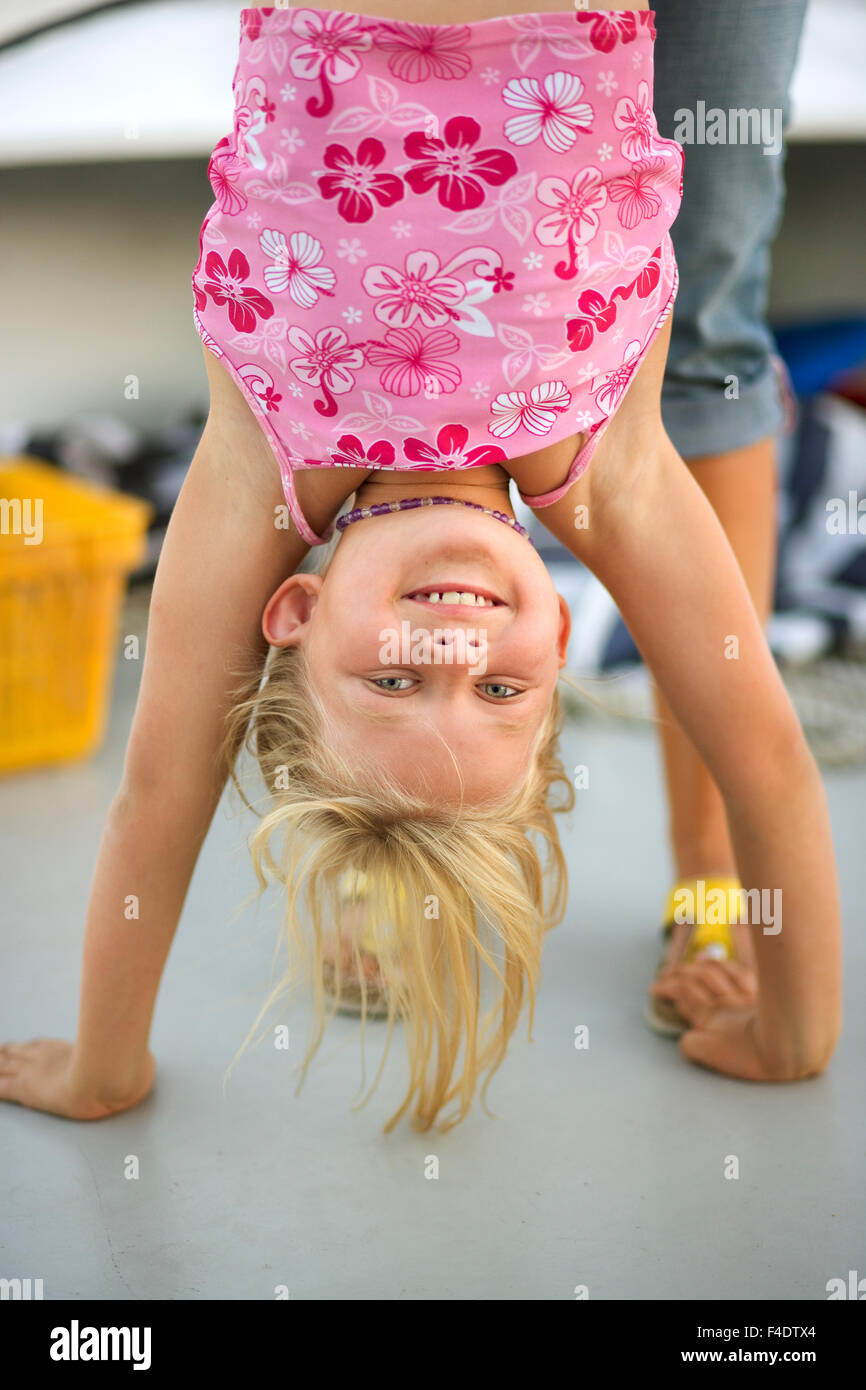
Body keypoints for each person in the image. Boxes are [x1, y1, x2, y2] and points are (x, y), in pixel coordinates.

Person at [0, 3, 841, 1134]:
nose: (452, 649)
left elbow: (156, 794)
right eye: (497, 691)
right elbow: (771, 763)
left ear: (290, 612)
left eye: (393, 682)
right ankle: (706, 892)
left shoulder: (266, 468)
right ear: (554, 636)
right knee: (718, 343)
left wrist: (103, 1065)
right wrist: (793, 1033)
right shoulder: (606, 474)